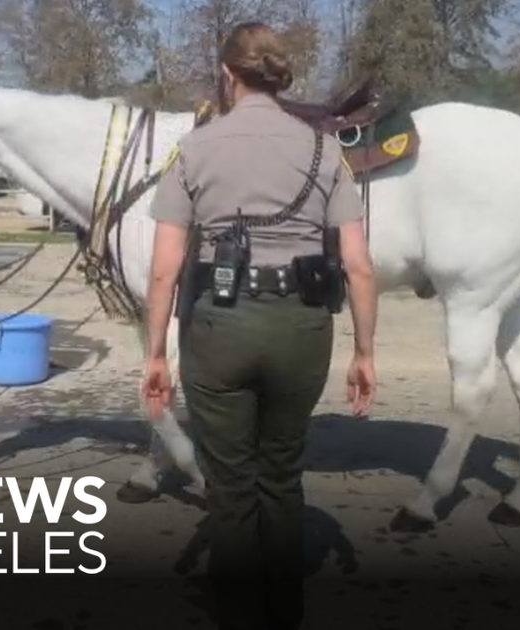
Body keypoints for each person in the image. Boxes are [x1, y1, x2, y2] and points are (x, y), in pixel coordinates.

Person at [139, 22, 379, 630]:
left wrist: (155, 357)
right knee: (281, 474)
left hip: (220, 328)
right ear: (278, 75)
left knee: (231, 486)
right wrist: (365, 353)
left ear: (228, 73)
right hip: (302, 329)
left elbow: (164, 272)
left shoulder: (195, 148)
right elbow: (357, 264)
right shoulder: (328, 150)